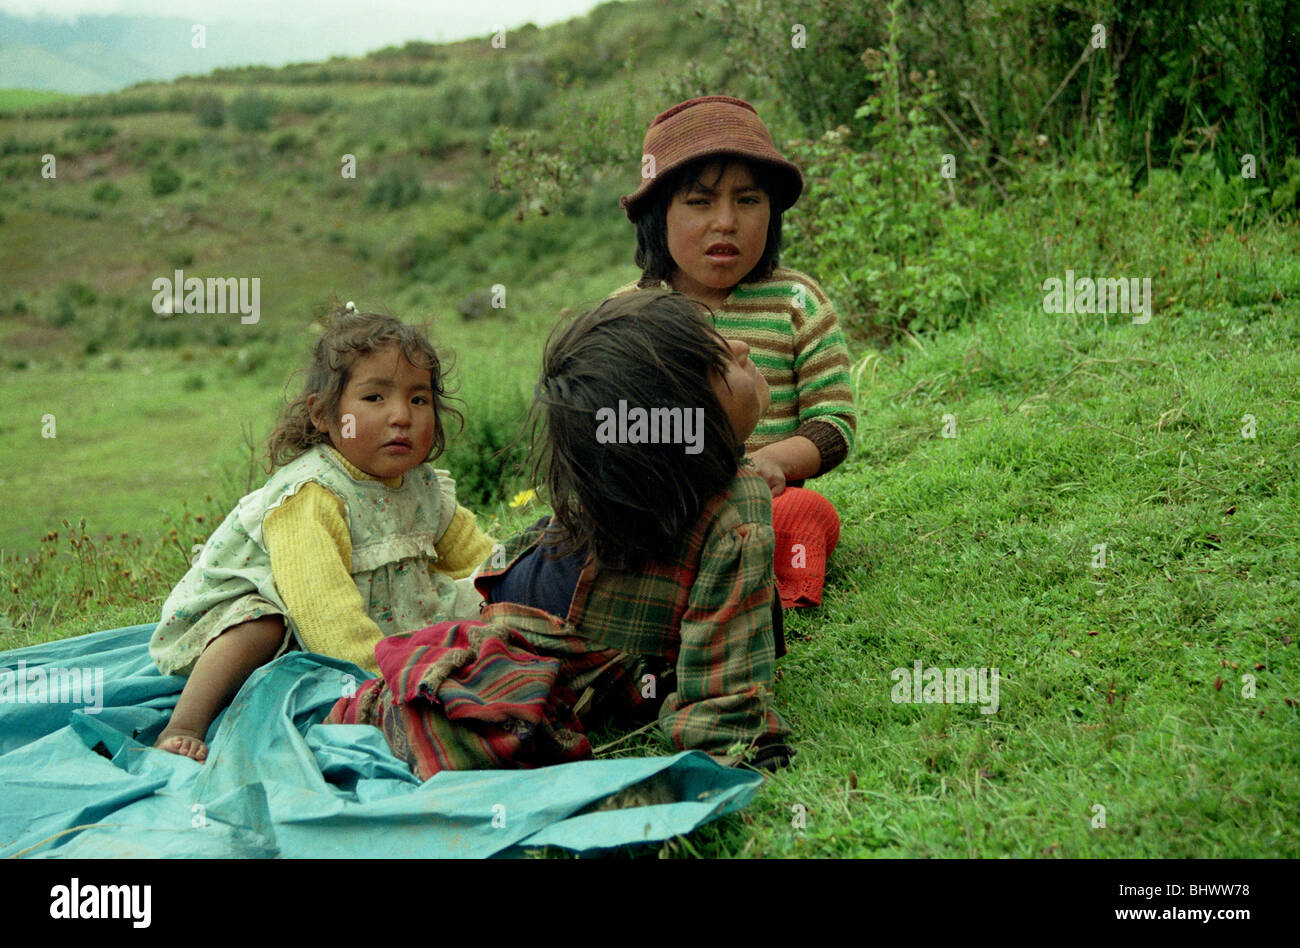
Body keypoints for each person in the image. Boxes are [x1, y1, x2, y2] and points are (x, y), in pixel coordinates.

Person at [327, 290, 793, 774]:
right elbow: (724, 700)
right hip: (532, 629)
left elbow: (713, 616)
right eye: (718, 363)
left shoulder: (691, 479)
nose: (740, 348)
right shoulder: (735, 507)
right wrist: (740, 749)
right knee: (448, 722)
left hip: (543, 583)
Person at [150, 303, 495, 762]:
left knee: (478, 607)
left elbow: (480, 559)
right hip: (269, 611)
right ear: (322, 414)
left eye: (418, 399)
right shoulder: (311, 495)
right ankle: (184, 724)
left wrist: (512, 590)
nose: (401, 416)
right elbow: (322, 609)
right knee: (260, 624)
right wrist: (386, 681)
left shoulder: (424, 485)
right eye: (374, 398)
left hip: (372, 619)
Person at [612, 95, 854, 609]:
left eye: (748, 200)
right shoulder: (629, 316)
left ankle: (771, 592)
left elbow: (834, 424)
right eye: (699, 202)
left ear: (772, 211)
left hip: (767, 504)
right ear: (658, 214)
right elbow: (605, 425)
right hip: (667, 509)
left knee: (809, 513)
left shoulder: (796, 301)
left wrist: (773, 464)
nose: (726, 221)